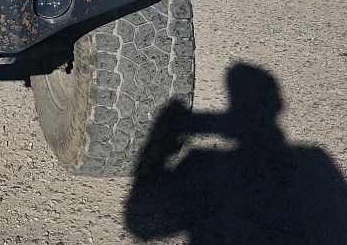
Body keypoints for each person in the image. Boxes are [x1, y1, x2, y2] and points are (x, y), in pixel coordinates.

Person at [125, 63, 347, 244]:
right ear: (278, 105)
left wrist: (158, 140)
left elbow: (141, 226)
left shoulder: (199, 164)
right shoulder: (315, 161)